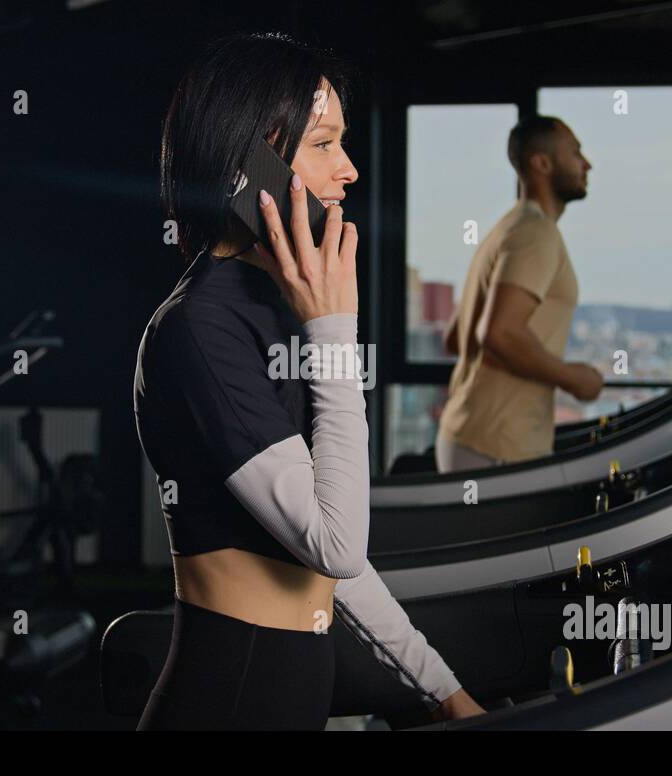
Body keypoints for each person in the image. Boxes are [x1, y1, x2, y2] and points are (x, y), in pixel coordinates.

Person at [134, 31, 484, 730]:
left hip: (292, 687)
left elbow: (336, 568)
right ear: (250, 162)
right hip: (231, 697)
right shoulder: (199, 328)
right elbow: (336, 540)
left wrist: (446, 692)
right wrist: (333, 331)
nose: (349, 169)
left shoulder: (278, 302)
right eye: (323, 145)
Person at [436, 115, 604, 471]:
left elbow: (456, 338)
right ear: (542, 164)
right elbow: (499, 333)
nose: (586, 163)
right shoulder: (535, 233)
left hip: (469, 433)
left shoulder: (507, 228)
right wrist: (576, 379)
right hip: (497, 444)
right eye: (575, 153)